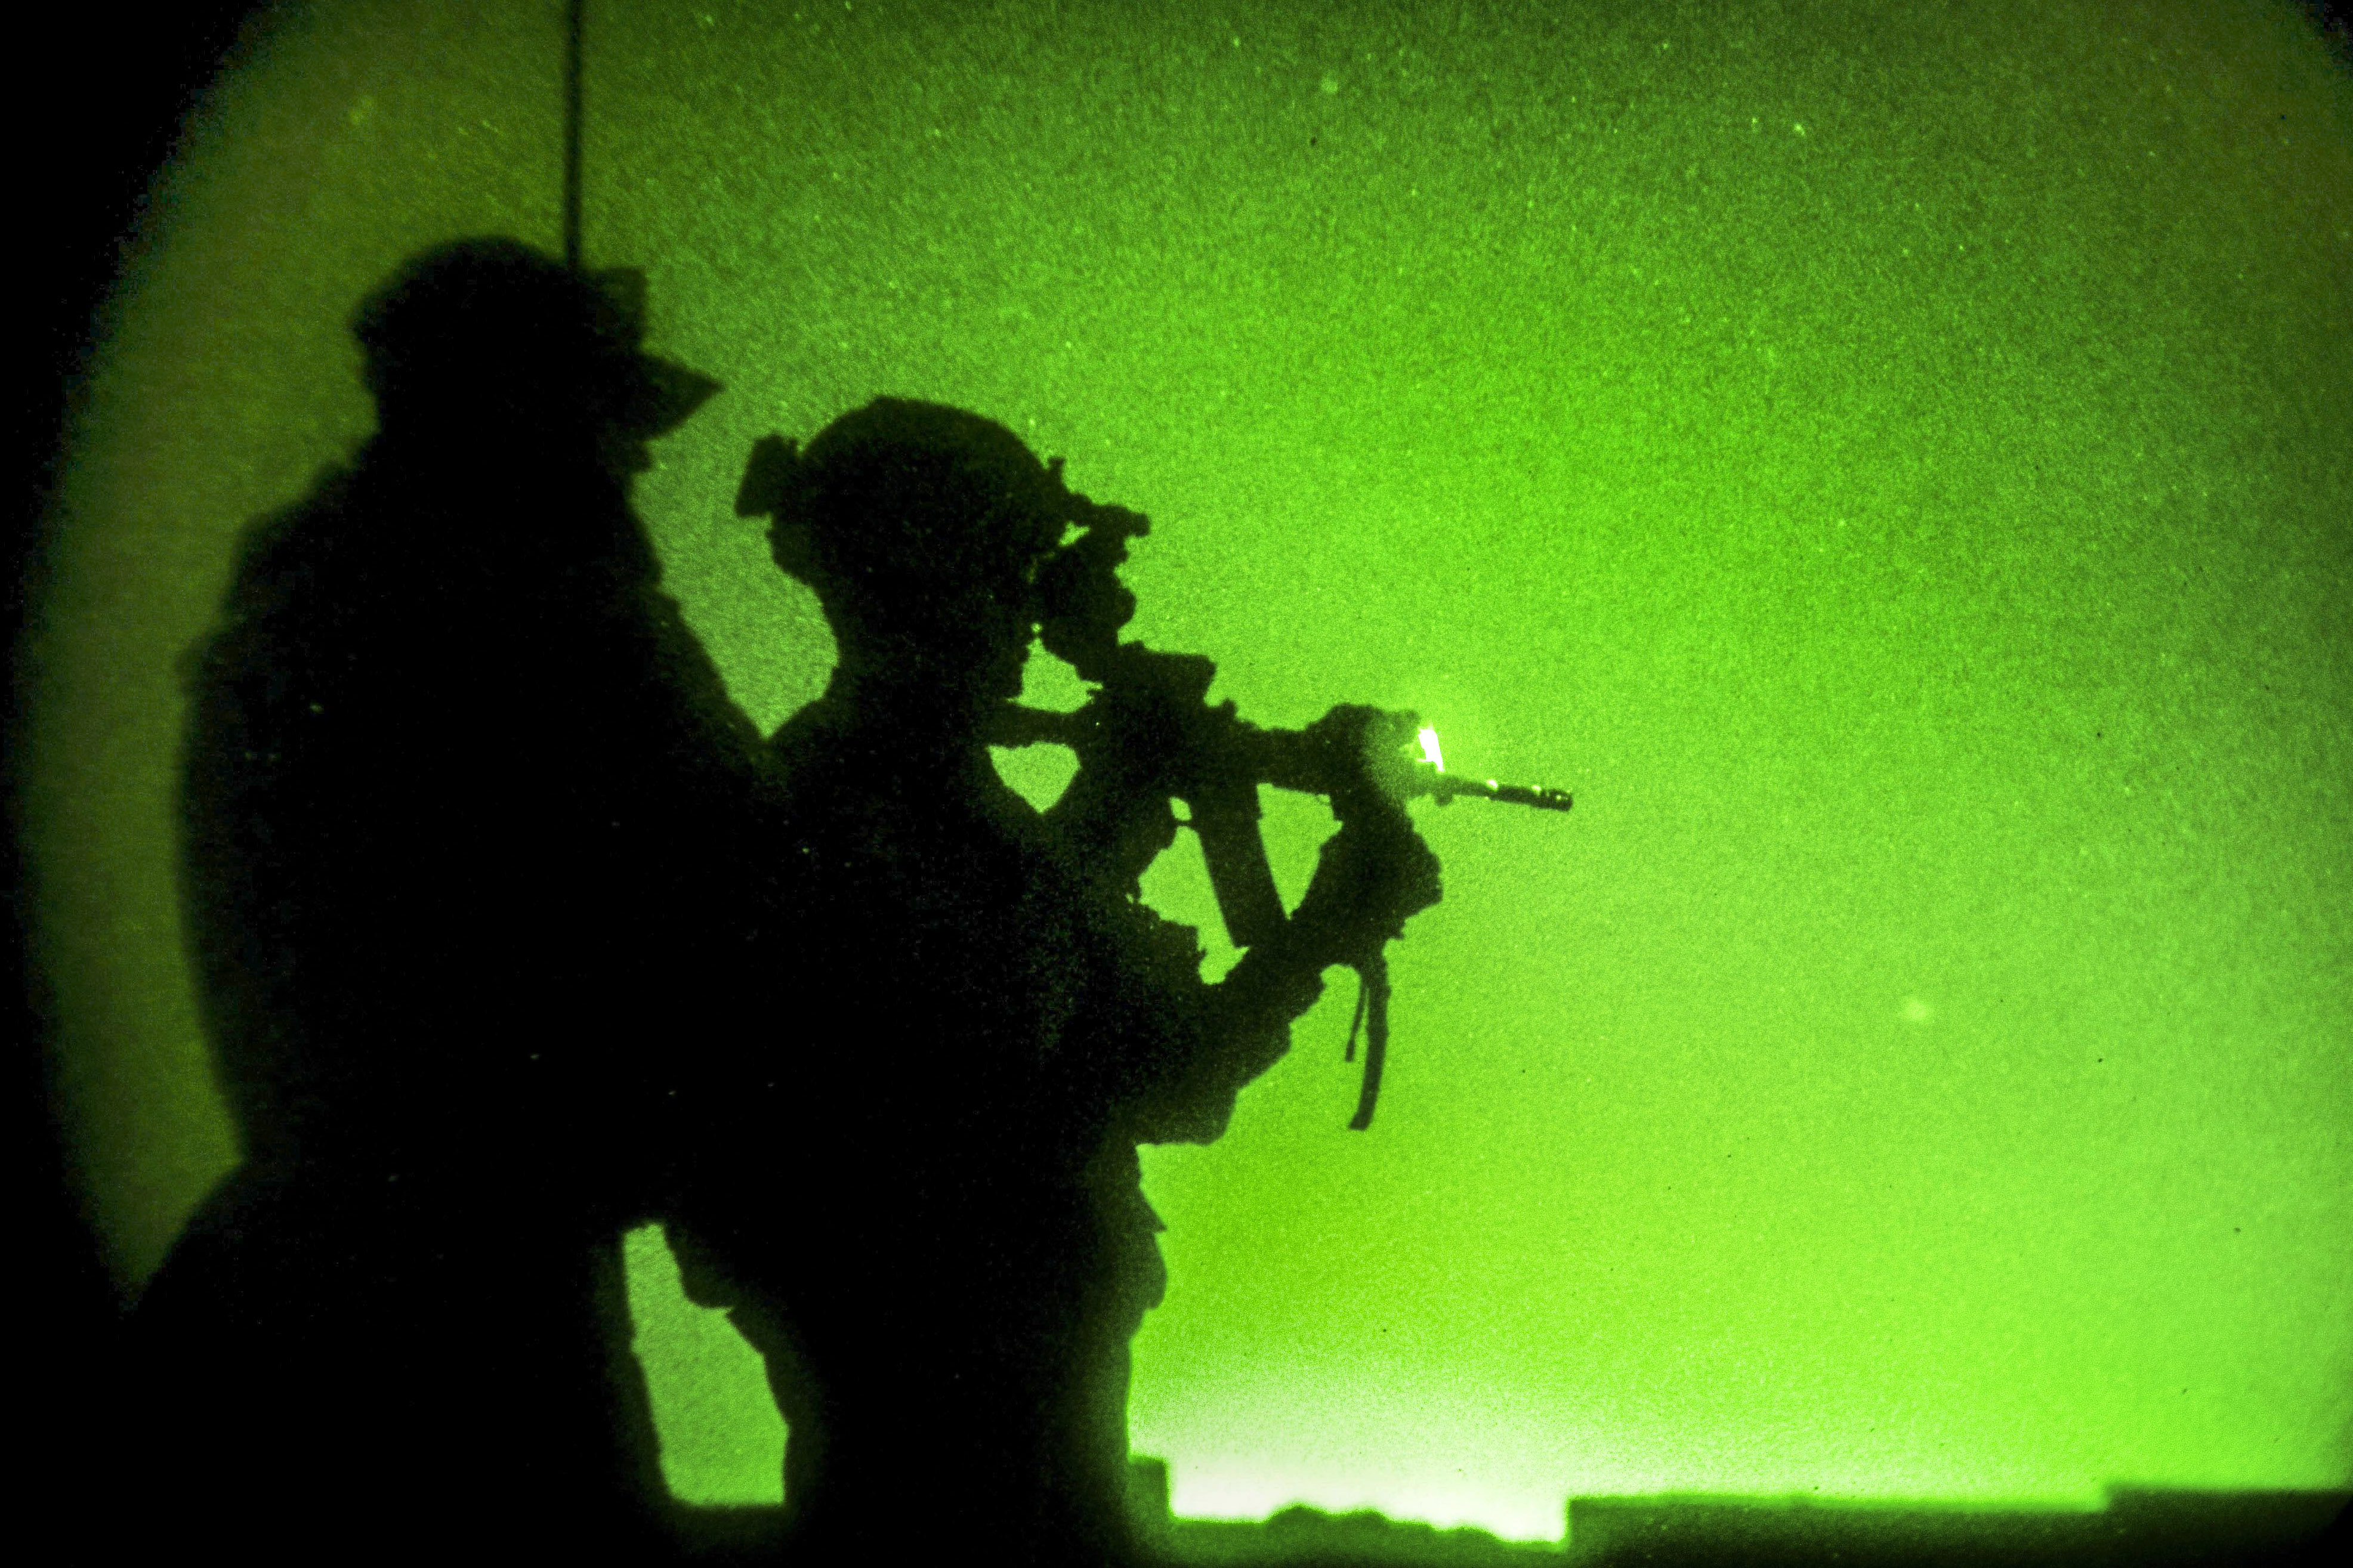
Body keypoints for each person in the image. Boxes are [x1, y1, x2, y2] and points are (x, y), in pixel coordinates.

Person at [675, 398, 1442, 1566]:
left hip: (1004, 1408)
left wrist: (1273, 896)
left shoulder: (910, 804)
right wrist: (1319, 920)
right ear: (935, 581)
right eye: (1004, 577)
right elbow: (1057, 1086)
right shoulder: (858, 815)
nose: (1028, 621)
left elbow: (1159, 1077)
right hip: (955, 1438)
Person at [129, 238, 777, 1562]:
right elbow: (740, 842)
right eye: (611, 414)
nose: (638, 459)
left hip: (309, 1246)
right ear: (521, 408)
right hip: (477, 1274)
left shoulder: (295, 607)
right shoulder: (539, 609)